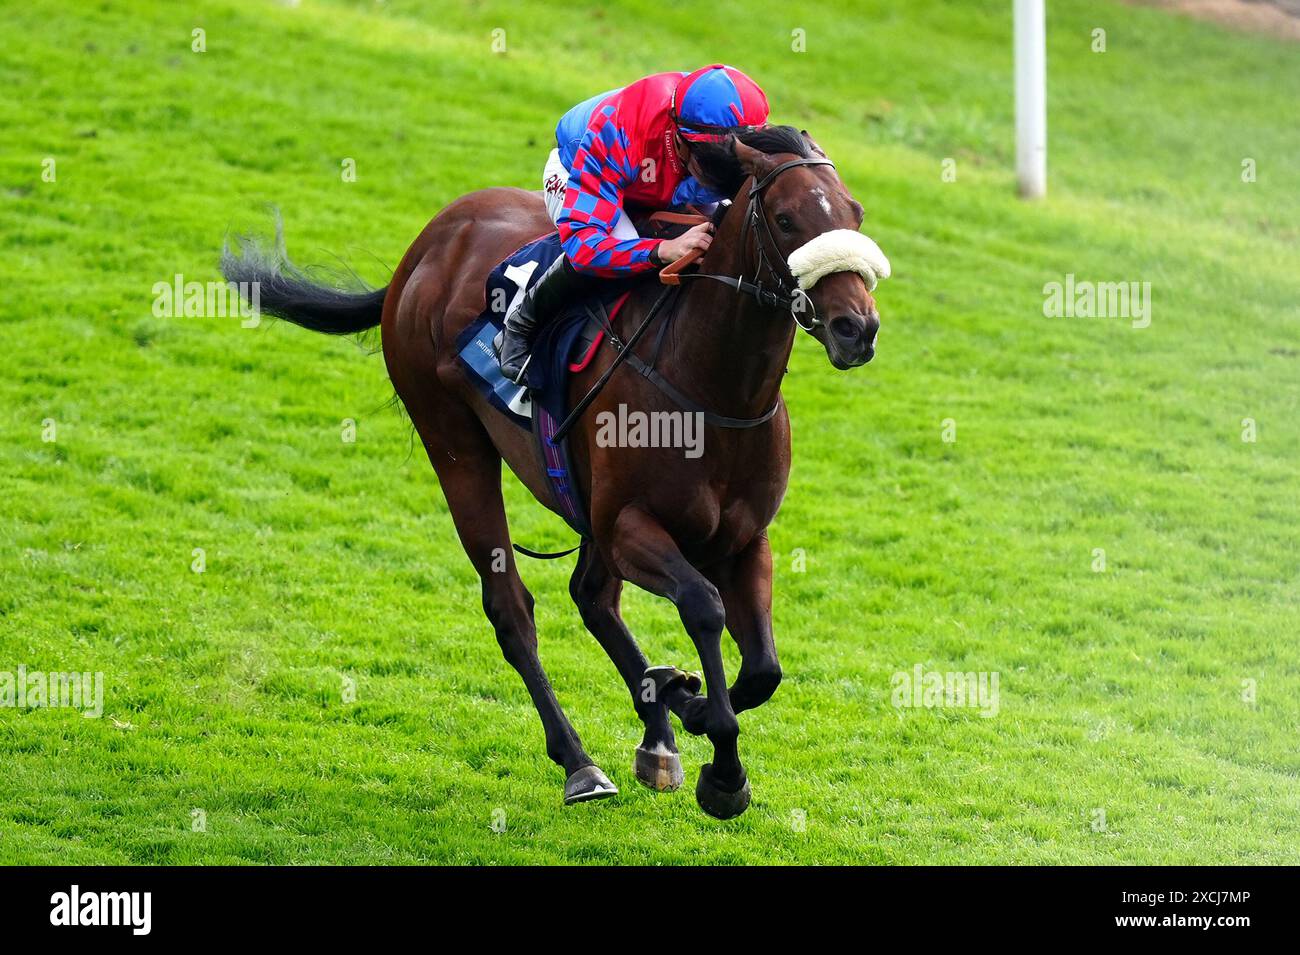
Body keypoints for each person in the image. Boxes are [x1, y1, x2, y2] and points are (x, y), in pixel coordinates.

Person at [498, 64, 770, 383]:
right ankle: (521, 324)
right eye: (712, 164)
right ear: (681, 140)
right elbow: (584, 247)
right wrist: (661, 250)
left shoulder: (736, 129)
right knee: (622, 260)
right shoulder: (619, 131)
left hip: (662, 178)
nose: (723, 177)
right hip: (580, 167)